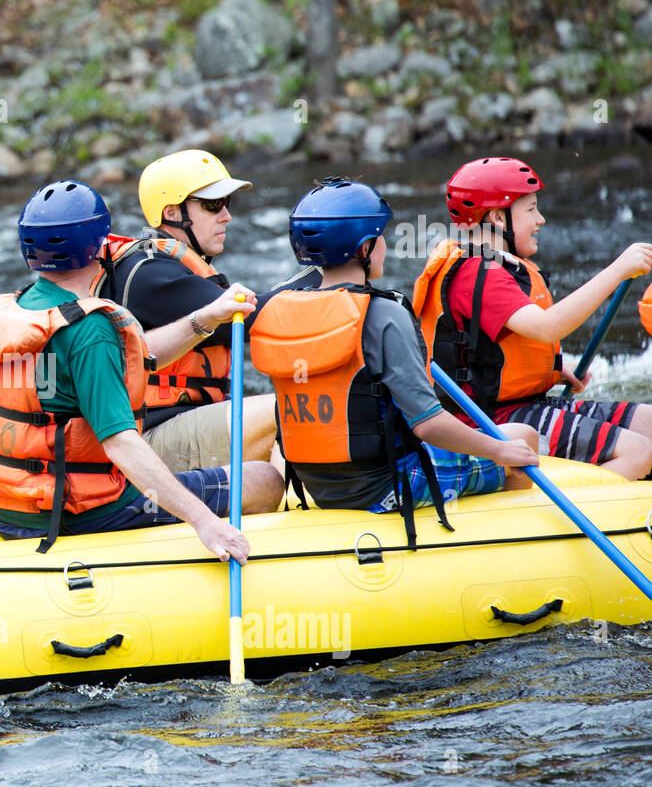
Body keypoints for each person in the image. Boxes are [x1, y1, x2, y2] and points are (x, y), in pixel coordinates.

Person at [0, 180, 284, 558]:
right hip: (83, 513)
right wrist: (205, 524)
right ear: (100, 245)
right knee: (263, 479)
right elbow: (121, 444)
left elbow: (133, 358)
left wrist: (206, 318)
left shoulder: (27, 307)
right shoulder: (90, 328)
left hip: (13, 511)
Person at [248, 177, 540, 545]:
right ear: (365, 247)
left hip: (320, 486)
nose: (386, 245)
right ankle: (504, 547)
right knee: (521, 437)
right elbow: (428, 425)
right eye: (381, 237)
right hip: (384, 486)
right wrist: (501, 450)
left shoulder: (278, 310)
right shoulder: (383, 312)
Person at [413, 157, 652, 480]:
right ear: (498, 218)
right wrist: (617, 270)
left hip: (525, 406)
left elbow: (492, 349)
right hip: (495, 420)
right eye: (530, 210)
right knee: (638, 451)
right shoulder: (479, 273)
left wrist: (551, 369)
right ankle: (576, 518)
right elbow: (547, 326)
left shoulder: (492, 266)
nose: (540, 220)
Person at [89, 149, 282, 472]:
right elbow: (253, 318)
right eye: (211, 205)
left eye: (226, 203)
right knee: (285, 410)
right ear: (172, 213)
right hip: (147, 441)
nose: (226, 216)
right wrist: (334, 285)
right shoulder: (151, 276)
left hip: (176, 423)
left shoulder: (166, 266)